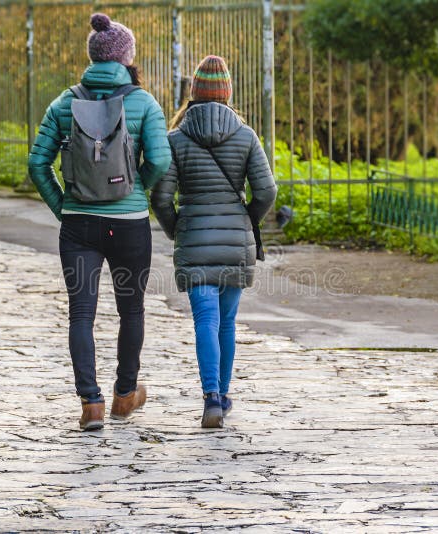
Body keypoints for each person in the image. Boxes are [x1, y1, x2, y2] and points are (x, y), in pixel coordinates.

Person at [27, 13, 171, 431]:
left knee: (81, 315)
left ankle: (91, 404)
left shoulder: (63, 103)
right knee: (131, 310)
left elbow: (37, 163)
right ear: (127, 58)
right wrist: (135, 191)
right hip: (129, 226)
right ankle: (125, 395)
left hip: (80, 227)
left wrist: (63, 206)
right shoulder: (144, 103)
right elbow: (160, 160)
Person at [151, 55, 277, 428]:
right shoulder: (246, 135)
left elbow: (161, 198)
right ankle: (222, 396)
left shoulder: (174, 139)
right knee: (227, 321)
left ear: (193, 95)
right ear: (227, 94)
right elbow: (267, 191)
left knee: (204, 319)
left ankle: (210, 400)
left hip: (194, 237)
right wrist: (246, 220)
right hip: (235, 241)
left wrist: (178, 228)